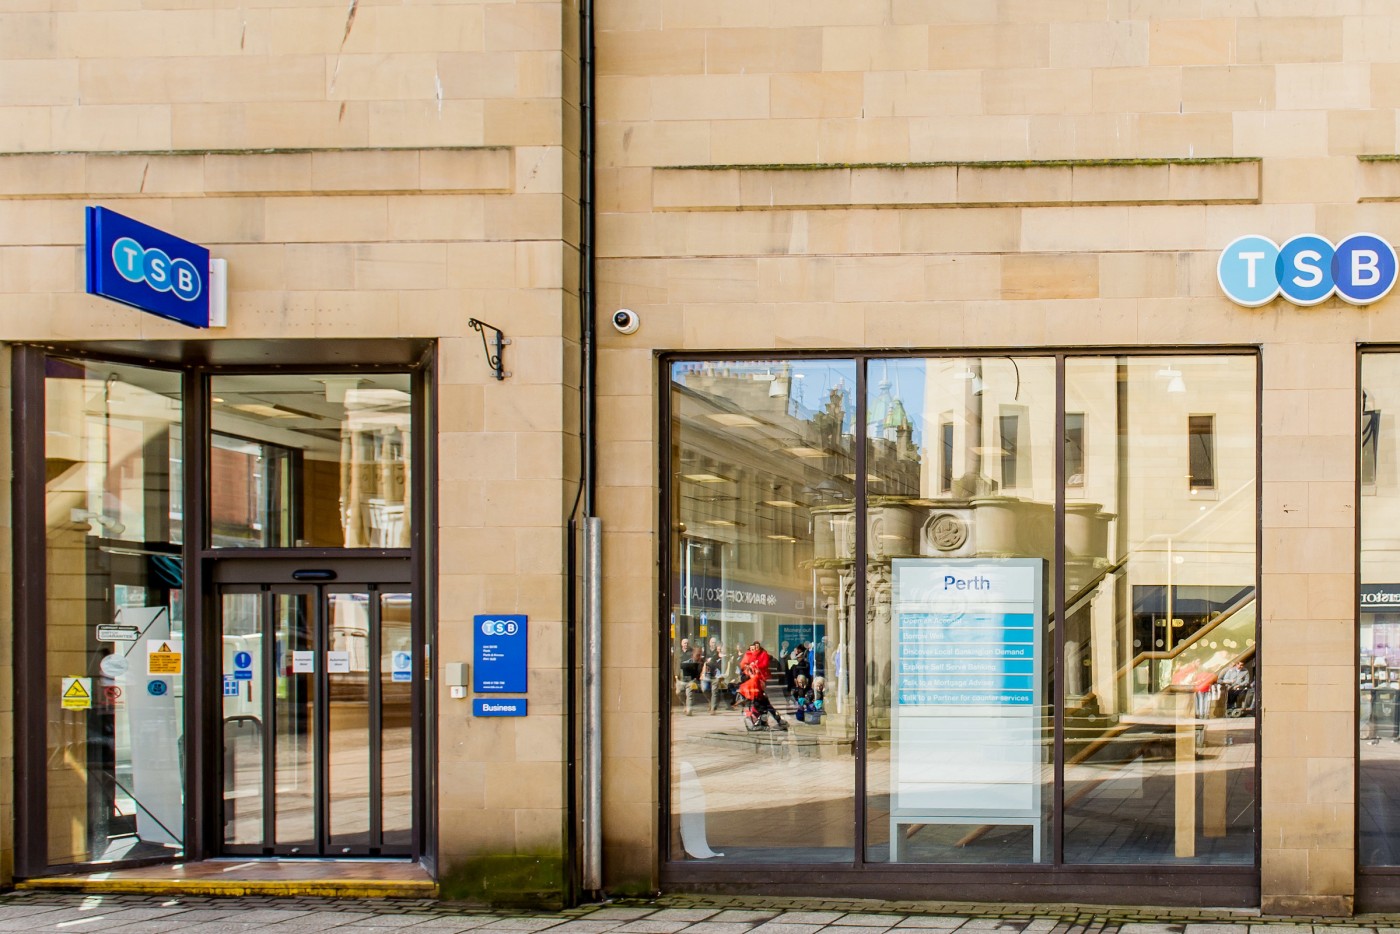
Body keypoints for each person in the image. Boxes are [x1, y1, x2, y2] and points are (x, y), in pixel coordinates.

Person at [737, 641, 786, 730]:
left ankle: (766, 722)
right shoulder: (748, 662)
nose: (754, 650)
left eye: (756, 648)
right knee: (763, 706)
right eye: (753, 648)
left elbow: (763, 669)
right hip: (754, 690)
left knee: (764, 705)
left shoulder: (761, 658)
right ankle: (769, 722)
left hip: (758, 689)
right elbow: (744, 675)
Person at [679, 646, 703, 715]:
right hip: (686, 680)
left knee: (689, 689)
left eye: (700, 655)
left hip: (696, 681)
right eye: (698, 655)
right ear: (693, 655)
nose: (699, 657)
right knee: (678, 690)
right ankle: (685, 705)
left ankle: (689, 709)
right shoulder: (686, 663)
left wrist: (701, 666)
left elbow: (701, 675)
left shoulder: (702, 663)